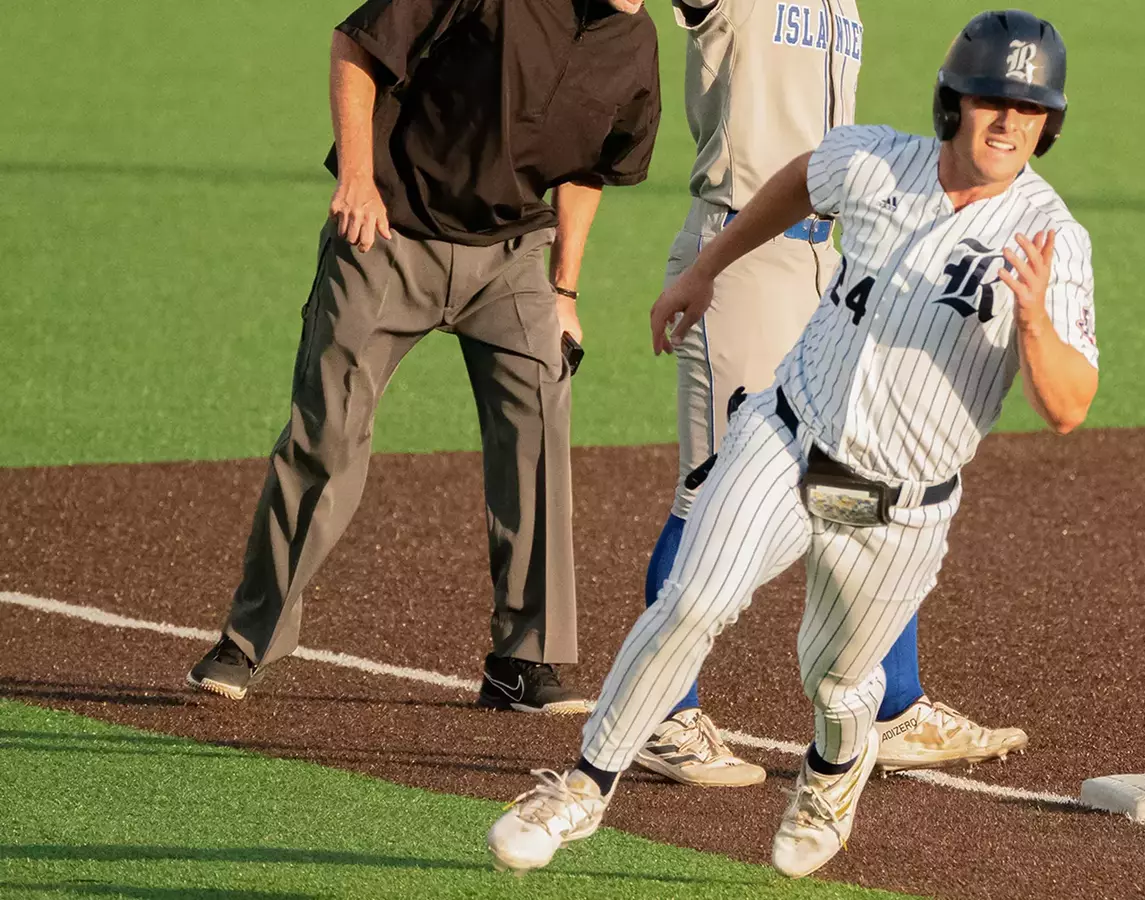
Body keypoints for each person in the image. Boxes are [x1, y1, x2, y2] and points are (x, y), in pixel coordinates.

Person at [487, 8, 1098, 878]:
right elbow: (803, 179)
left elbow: (1070, 404)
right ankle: (581, 786)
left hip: (898, 507)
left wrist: (1035, 322)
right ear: (953, 103)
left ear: (1050, 123)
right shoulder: (879, 157)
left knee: (842, 683)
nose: (1009, 122)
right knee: (695, 600)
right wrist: (708, 267)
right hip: (786, 437)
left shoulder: (1051, 240)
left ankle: (831, 772)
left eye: (1029, 110)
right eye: (991, 100)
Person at [184, 0, 661, 713]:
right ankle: (248, 641)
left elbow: (591, 167)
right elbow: (356, 45)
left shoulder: (636, 44)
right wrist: (356, 176)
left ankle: (522, 660)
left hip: (512, 256)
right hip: (390, 234)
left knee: (538, 430)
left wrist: (565, 286)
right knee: (328, 439)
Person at [631, 0, 1025, 789]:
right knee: (708, 491)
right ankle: (664, 715)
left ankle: (895, 707)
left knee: (859, 478)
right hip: (740, 251)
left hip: (830, 258)